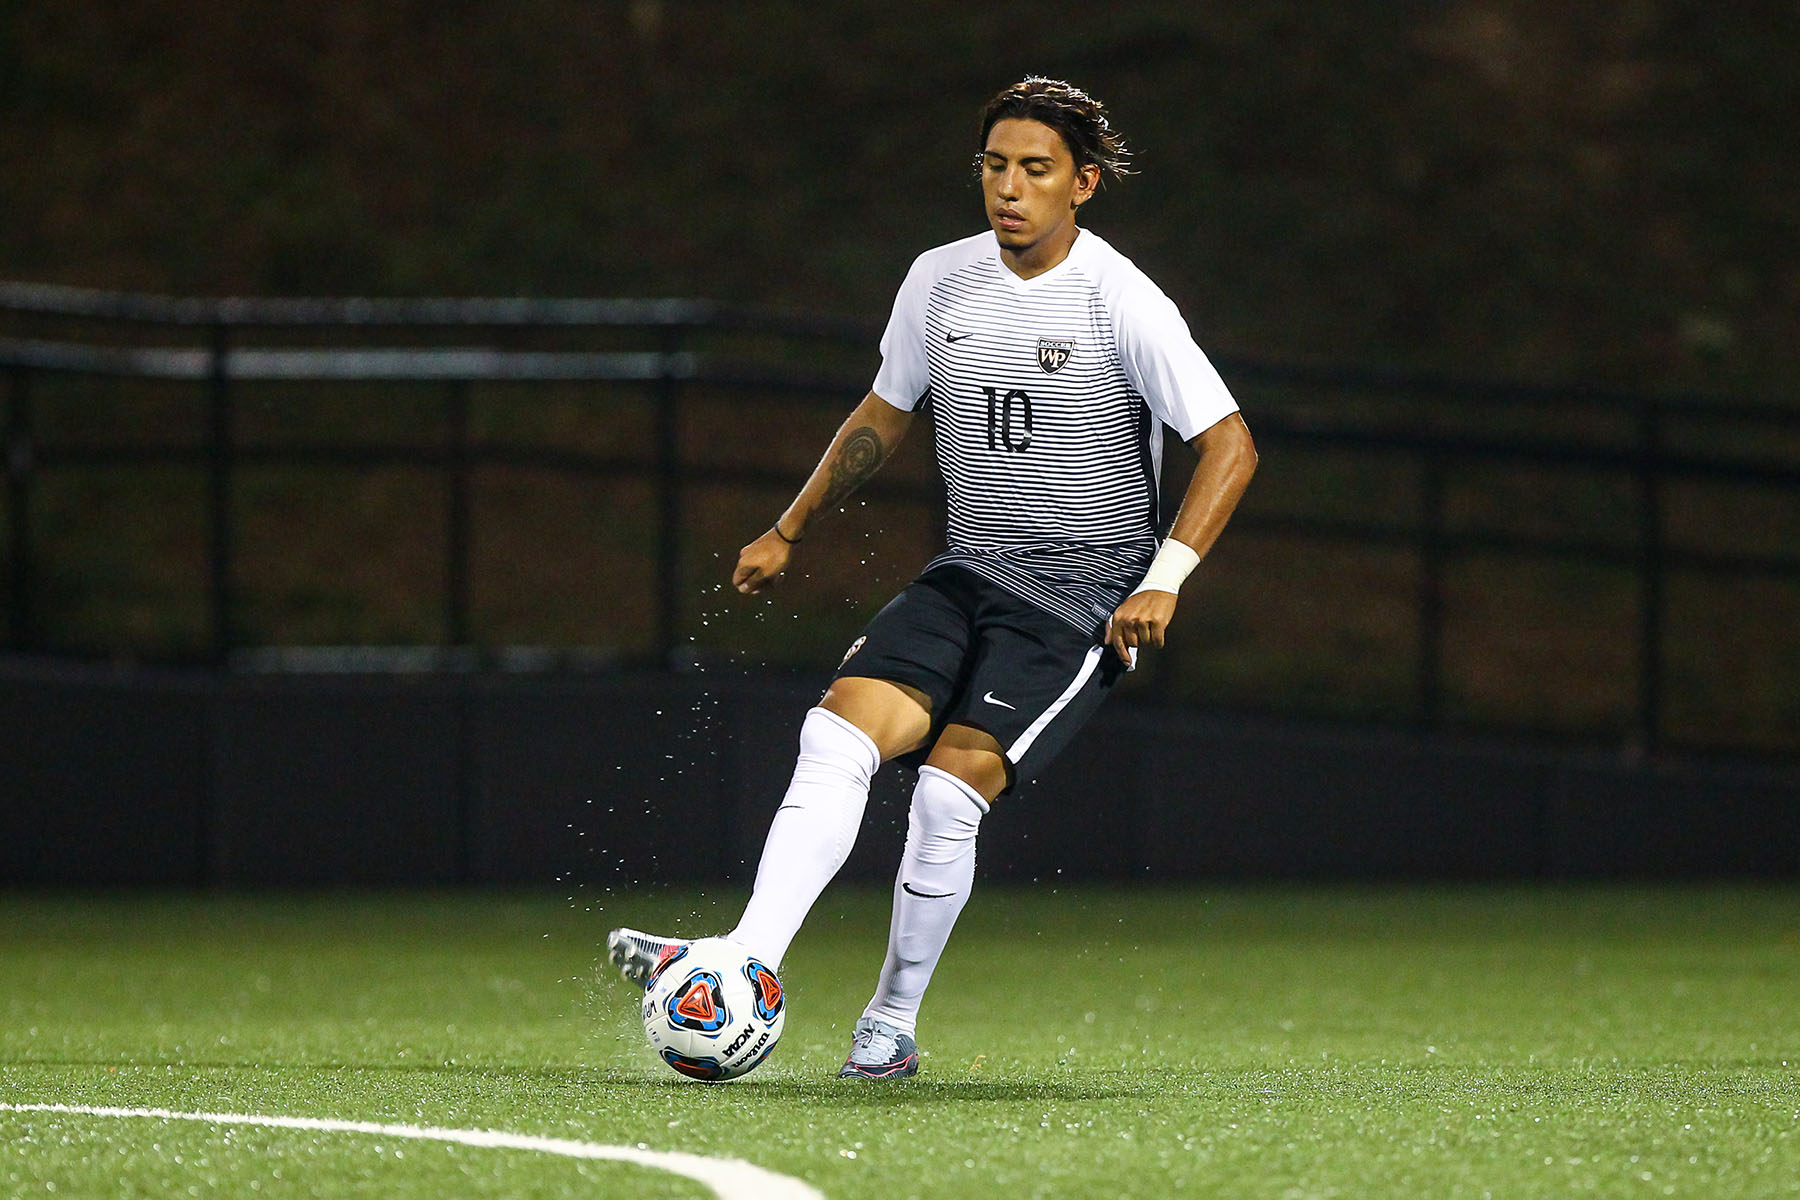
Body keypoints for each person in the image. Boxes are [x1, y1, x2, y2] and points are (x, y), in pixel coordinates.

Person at [609, 77, 1257, 1079]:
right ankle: (742, 961)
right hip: (967, 574)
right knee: (835, 736)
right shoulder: (939, 281)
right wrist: (788, 527)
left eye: (1035, 170)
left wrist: (1165, 577)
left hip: (1080, 601)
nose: (1009, 188)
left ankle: (889, 1023)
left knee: (949, 798)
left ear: (1082, 184)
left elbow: (1229, 445)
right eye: (994, 167)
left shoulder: (1121, 299)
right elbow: (882, 415)